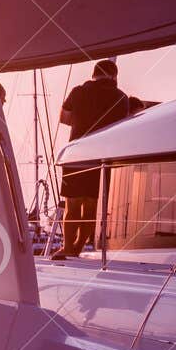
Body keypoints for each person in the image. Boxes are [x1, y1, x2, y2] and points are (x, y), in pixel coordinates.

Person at [54, 59, 152, 260]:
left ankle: (67, 247)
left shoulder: (78, 92)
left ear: (94, 74)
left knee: (72, 205)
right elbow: (123, 126)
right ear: (114, 76)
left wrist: (82, 121)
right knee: (91, 206)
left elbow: (64, 118)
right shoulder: (121, 98)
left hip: (76, 155)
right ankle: (78, 247)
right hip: (101, 158)